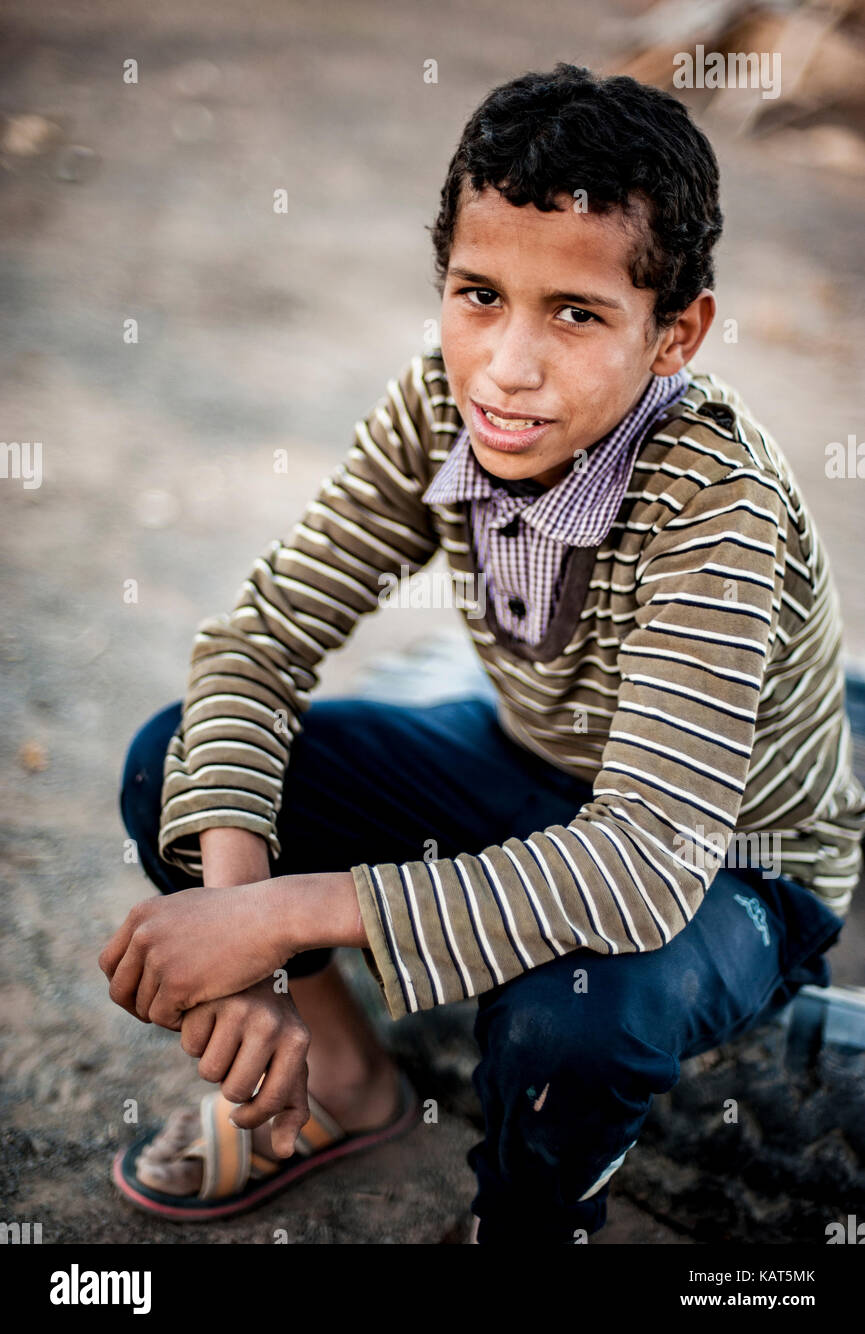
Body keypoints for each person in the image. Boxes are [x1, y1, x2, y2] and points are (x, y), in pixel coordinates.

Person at [102, 63, 865, 1244]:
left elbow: (640, 866)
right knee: (174, 769)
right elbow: (256, 645)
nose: (506, 366)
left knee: (570, 1015)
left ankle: (526, 1220)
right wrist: (244, 956)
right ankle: (349, 1086)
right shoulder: (443, 408)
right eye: (478, 294)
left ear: (677, 332)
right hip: (530, 765)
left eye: (575, 312)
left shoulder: (717, 506)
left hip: (724, 852)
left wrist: (274, 915)